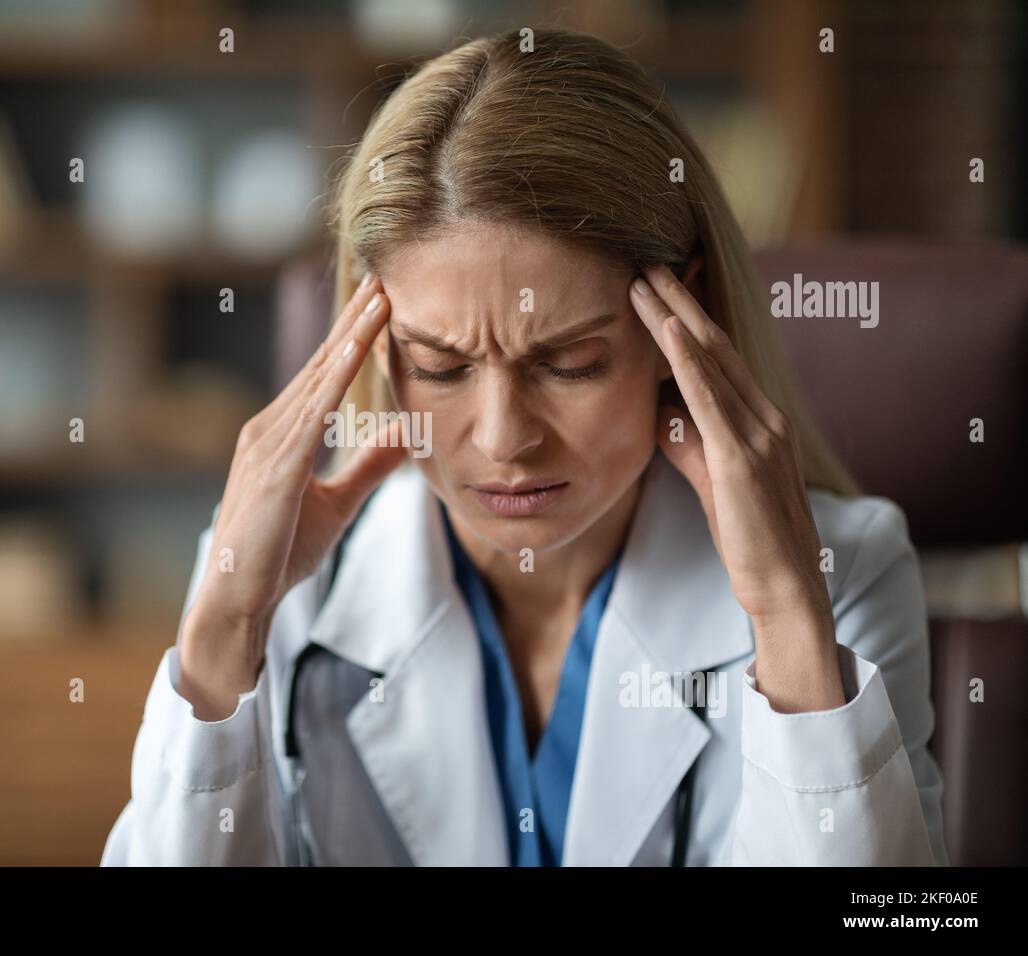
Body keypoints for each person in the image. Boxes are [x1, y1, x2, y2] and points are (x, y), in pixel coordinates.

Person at [101, 27, 947, 866]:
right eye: (440, 366)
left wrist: (787, 618)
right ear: (374, 337)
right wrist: (221, 639)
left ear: (674, 328)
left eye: (569, 364)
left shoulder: (842, 573)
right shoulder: (276, 582)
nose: (503, 438)